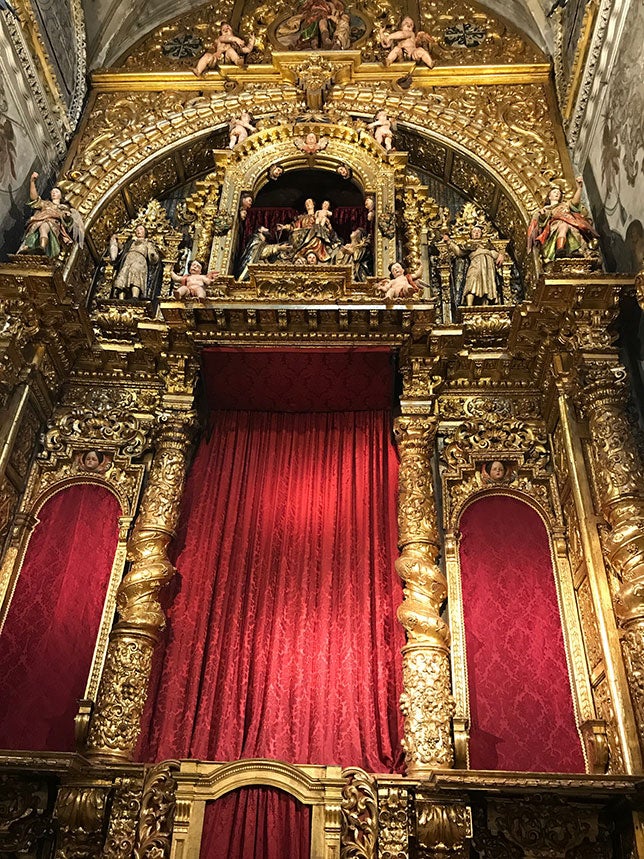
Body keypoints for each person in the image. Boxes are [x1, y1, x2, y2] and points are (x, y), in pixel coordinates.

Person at [527, 177, 599, 261]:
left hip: (572, 225)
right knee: (563, 226)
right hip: (556, 226)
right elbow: (541, 221)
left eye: (558, 193)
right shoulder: (547, 208)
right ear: (549, 196)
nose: (557, 194)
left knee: (573, 232)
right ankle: (560, 249)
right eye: (554, 192)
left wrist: (579, 188)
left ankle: (573, 251)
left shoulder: (565, 205)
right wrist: (542, 215)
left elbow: (575, 202)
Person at [18, 172, 85, 258]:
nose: (53, 193)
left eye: (56, 192)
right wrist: (32, 182)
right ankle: (27, 248)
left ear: (61, 195)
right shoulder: (45, 203)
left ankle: (42, 246)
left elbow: (67, 220)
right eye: (52, 192)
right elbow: (34, 198)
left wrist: (67, 216)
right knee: (34, 231)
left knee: (44, 226)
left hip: (52, 223)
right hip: (37, 222)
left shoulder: (62, 207)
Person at [443, 226, 503, 306]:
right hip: (476, 264)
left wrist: (501, 255)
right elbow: (459, 252)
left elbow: (495, 253)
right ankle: (469, 305)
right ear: (471, 234)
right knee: (471, 282)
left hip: (488, 267)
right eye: (474, 231)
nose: (477, 233)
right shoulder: (469, 245)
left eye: (478, 231)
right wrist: (449, 242)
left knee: (487, 284)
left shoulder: (488, 245)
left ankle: (485, 305)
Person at [277, 198, 339, 263]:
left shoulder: (317, 216)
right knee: (294, 235)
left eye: (309, 202)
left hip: (314, 235)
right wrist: (284, 227)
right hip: (301, 236)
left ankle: (311, 255)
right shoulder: (302, 218)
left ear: (313, 205)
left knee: (317, 236)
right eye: (306, 203)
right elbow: (293, 226)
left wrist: (328, 226)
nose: (308, 203)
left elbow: (325, 227)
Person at [109, 224, 161, 300]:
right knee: (123, 275)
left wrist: (153, 255)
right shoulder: (131, 242)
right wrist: (116, 242)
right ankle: (121, 298)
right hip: (128, 260)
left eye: (140, 229)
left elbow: (154, 257)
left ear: (145, 232)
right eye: (137, 230)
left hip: (139, 261)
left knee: (135, 273)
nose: (138, 231)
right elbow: (123, 250)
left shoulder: (148, 243)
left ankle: (135, 296)